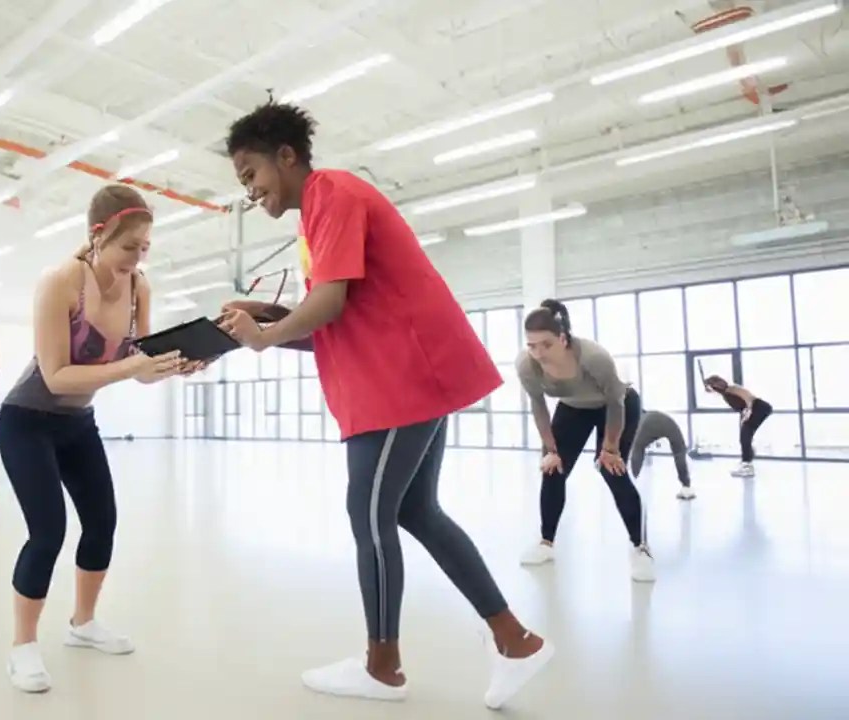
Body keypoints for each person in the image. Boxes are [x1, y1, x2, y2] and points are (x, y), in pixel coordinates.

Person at [216, 101, 552, 711]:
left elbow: (333, 303)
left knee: (368, 516)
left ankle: (382, 666)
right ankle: (516, 641)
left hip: (401, 381)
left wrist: (265, 334)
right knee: (417, 511)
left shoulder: (333, 193)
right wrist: (261, 322)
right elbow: (327, 319)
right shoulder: (314, 219)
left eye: (249, 174)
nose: (249, 190)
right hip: (394, 379)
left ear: (286, 156)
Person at [0, 184, 190, 693]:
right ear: (98, 235)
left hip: (77, 424)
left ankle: (83, 623)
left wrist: (173, 365)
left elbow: (141, 370)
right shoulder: (61, 281)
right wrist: (131, 365)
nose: (138, 257)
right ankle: (22, 646)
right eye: (130, 246)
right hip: (26, 419)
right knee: (48, 532)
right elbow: (57, 375)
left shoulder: (139, 287)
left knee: (102, 522)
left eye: (146, 247)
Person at [517, 299, 655, 582]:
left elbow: (616, 402)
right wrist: (550, 450)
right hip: (573, 408)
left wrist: (610, 449)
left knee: (612, 470)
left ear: (563, 338)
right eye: (531, 345)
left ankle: (640, 548)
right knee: (553, 469)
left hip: (616, 404)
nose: (538, 353)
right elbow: (538, 406)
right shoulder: (527, 365)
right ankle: (546, 543)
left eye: (546, 344)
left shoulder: (593, 357)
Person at [703, 375, 771, 477]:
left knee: (745, 436)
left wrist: (749, 411)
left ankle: (747, 465)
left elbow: (748, 397)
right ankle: (747, 460)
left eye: (714, 385)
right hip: (755, 409)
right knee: (745, 436)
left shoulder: (732, 388)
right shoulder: (725, 394)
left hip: (759, 407)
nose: (714, 388)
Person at [630, 409, 695, 500]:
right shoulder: (651, 415)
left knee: (638, 448)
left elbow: (637, 448)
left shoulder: (641, 420)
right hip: (669, 423)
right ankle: (686, 487)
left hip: (648, 424)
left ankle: (633, 483)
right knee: (679, 451)